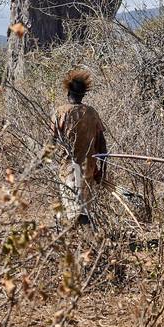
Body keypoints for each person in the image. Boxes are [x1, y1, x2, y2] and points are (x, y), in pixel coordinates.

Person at [48, 68, 107, 225]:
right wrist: (102, 171)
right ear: (83, 95)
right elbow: (102, 144)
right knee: (83, 207)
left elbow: (52, 141)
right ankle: (88, 241)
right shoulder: (92, 113)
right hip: (89, 168)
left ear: (68, 93)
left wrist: (43, 160)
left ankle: (85, 235)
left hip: (68, 169)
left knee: (74, 211)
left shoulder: (60, 112)